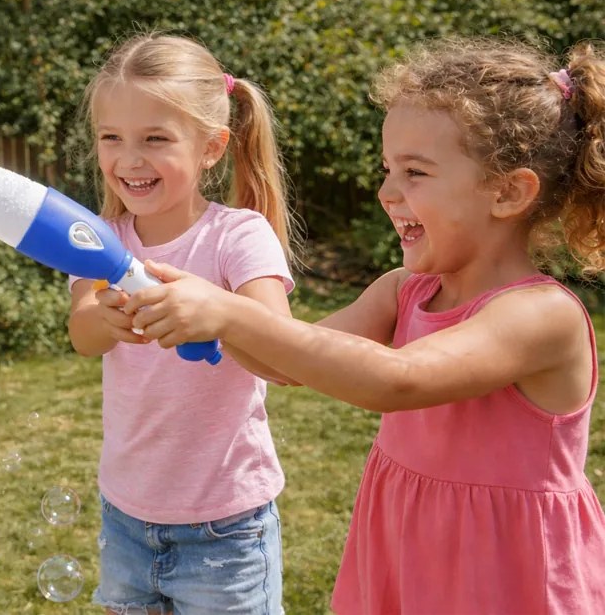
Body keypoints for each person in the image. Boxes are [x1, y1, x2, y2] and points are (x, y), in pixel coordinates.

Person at [125, 37, 605, 614]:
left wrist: (229, 313)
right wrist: (196, 307)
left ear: (508, 192)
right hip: (408, 540)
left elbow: (396, 381)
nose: (386, 192)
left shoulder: (540, 315)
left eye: (416, 172)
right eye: (387, 169)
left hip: (505, 567)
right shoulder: (404, 291)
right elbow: (281, 363)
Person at [68, 33, 297, 615]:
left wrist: (215, 318)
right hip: (125, 516)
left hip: (225, 526)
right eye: (111, 138)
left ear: (212, 148)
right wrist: (108, 316)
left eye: (155, 139)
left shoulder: (237, 237)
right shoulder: (99, 240)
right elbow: (81, 335)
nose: (129, 159)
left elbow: (286, 349)